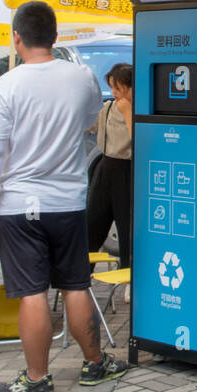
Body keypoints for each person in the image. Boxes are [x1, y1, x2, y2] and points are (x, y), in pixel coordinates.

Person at [0, 2, 129, 392]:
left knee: (32, 293)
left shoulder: (5, 86)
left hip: (19, 205)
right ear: (56, 37)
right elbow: (88, 118)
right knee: (76, 284)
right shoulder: (80, 77)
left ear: (17, 38)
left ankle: (38, 379)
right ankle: (95, 363)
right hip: (68, 201)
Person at [86, 63, 133, 270]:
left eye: (118, 87)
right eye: (112, 87)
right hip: (105, 168)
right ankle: (80, 276)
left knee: (127, 229)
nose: (114, 93)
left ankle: (130, 278)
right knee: (92, 223)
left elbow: (139, 140)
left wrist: (128, 112)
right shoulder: (107, 108)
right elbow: (89, 126)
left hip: (128, 170)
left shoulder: (138, 110)